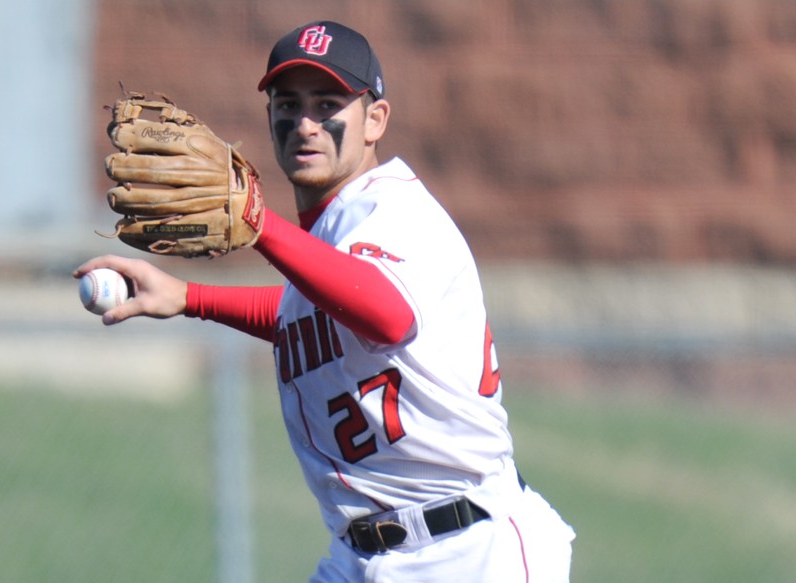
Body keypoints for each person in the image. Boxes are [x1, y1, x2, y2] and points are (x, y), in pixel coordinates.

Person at [75, 20, 575, 582]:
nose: (305, 123)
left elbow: (385, 315)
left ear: (375, 120)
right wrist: (190, 297)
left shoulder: (398, 211)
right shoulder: (332, 238)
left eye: (328, 104)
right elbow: (307, 315)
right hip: (359, 557)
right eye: (289, 104)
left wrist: (261, 226)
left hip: (466, 550)